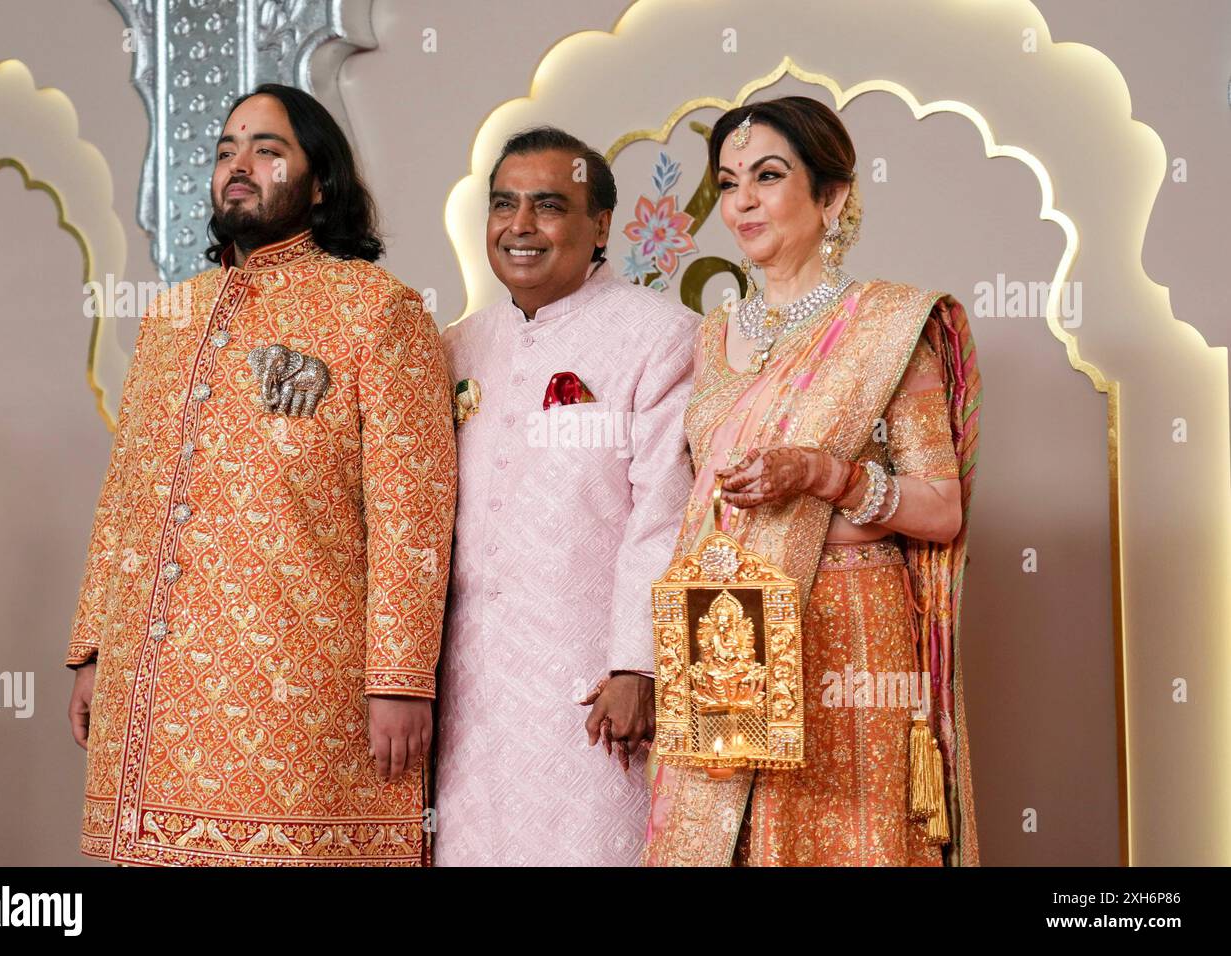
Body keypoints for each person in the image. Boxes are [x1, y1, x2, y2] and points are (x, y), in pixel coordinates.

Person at [65, 83, 456, 866]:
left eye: (268, 150)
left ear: (320, 184)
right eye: (225, 151)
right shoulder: (170, 316)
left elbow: (413, 510)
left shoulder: (380, 311)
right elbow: (126, 496)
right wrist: (92, 649)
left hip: (302, 681)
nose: (239, 166)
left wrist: (403, 678)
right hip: (153, 677)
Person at [643, 96, 981, 866]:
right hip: (726, 627)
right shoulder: (713, 331)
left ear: (832, 197)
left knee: (838, 840)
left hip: (848, 630)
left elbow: (940, 507)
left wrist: (822, 473)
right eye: (729, 184)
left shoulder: (887, 326)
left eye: (767, 176)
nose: (743, 202)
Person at [434, 127, 699, 866]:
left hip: (591, 684)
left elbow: (665, 513)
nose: (519, 226)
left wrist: (636, 665)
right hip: (468, 688)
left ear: (602, 225)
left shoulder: (661, 337)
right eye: (503, 205)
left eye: (548, 206)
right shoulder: (454, 347)